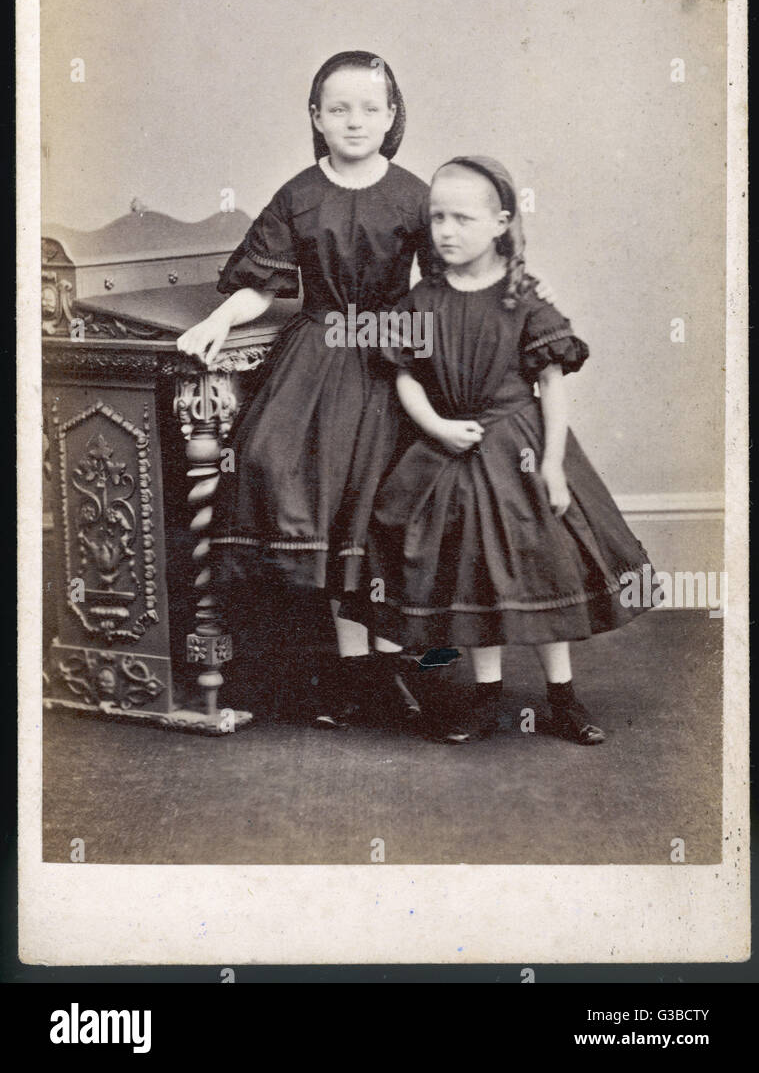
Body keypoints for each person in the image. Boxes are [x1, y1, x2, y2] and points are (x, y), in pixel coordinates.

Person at [177, 50, 553, 728]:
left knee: (385, 506)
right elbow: (259, 287)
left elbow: (458, 272)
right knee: (307, 493)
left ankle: (403, 666)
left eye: (370, 108)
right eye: (339, 108)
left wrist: (514, 301)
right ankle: (354, 675)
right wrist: (215, 319)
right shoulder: (298, 193)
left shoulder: (414, 193)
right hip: (316, 360)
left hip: (394, 357)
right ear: (316, 118)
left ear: (391, 116)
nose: (355, 121)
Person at [355, 154, 651, 745]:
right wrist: (436, 426)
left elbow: (550, 388)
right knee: (473, 580)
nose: (445, 231)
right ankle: (486, 697)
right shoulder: (422, 303)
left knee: (540, 573)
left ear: (501, 223)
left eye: (462, 218)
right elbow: (405, 376)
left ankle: (562, 698)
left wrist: (550, 465)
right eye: (437, 217)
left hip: (519, 452)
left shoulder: (524, 303)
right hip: (450, 456)